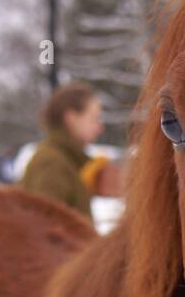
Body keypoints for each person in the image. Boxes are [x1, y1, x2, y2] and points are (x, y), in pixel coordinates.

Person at [21, 81, 122, 219]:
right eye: (94, 118)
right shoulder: (52, 163)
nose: (100, 127)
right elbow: (44, 229)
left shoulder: (67, 159)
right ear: (71, 118)